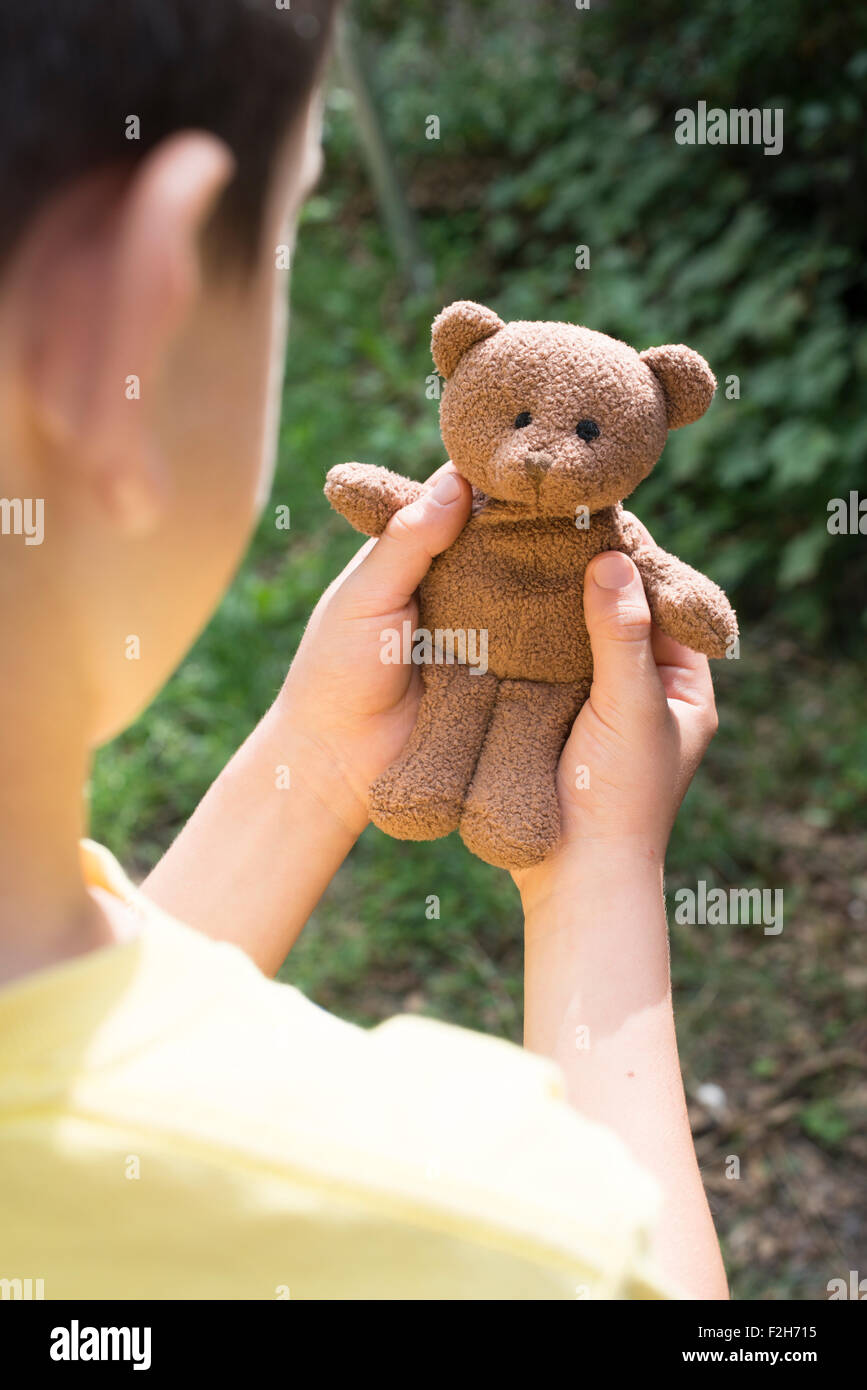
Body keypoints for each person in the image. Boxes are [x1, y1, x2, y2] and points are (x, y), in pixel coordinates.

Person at [0, 0, 727, 1299]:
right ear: (124, 320)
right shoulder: (482, 1231)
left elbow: (83, 1060)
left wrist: (319, 762)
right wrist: (593, 871)